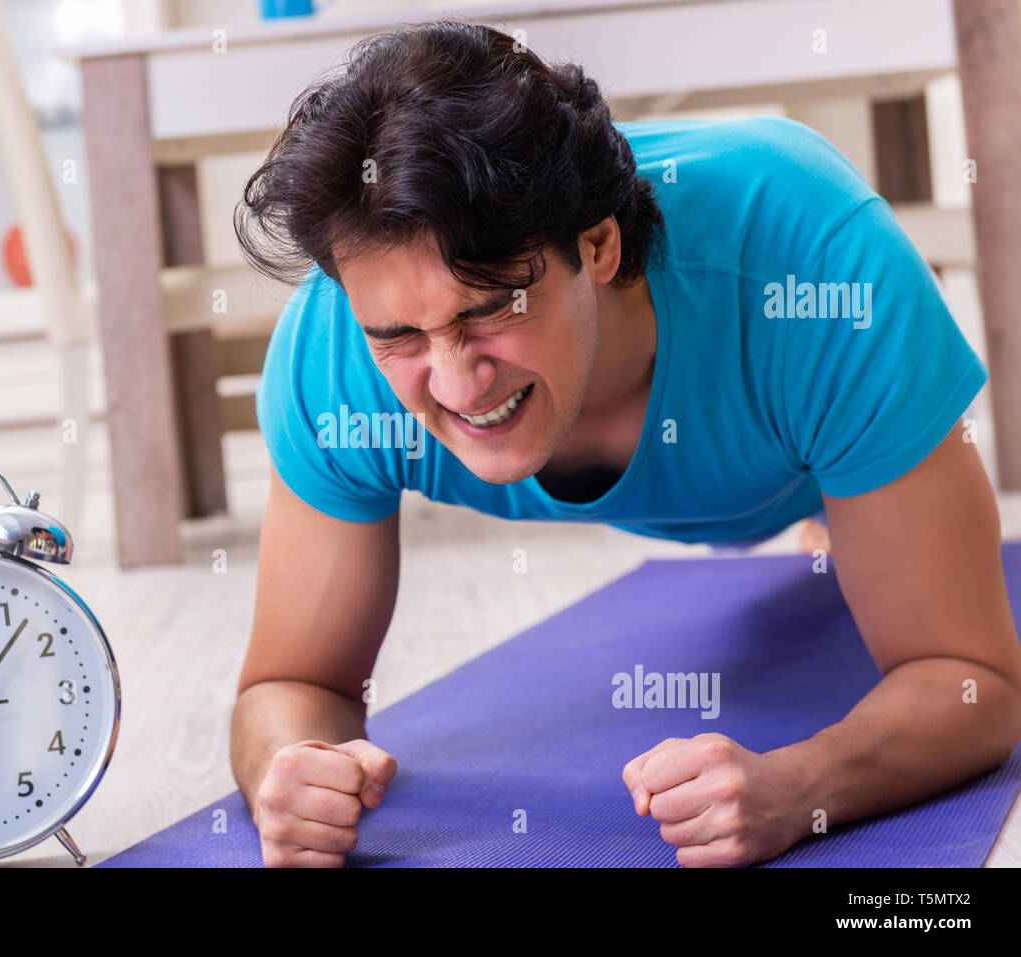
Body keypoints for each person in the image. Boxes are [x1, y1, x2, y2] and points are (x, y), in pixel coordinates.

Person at [229, 19, 1021, 867]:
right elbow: (290, 684)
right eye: (400, 338)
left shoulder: (814, 261)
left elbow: (975, 680)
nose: (457, 385)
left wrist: (802, 786)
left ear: (599, 244)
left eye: (490, 309)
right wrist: (290, 767)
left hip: (801, 457)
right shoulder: (331, 352)